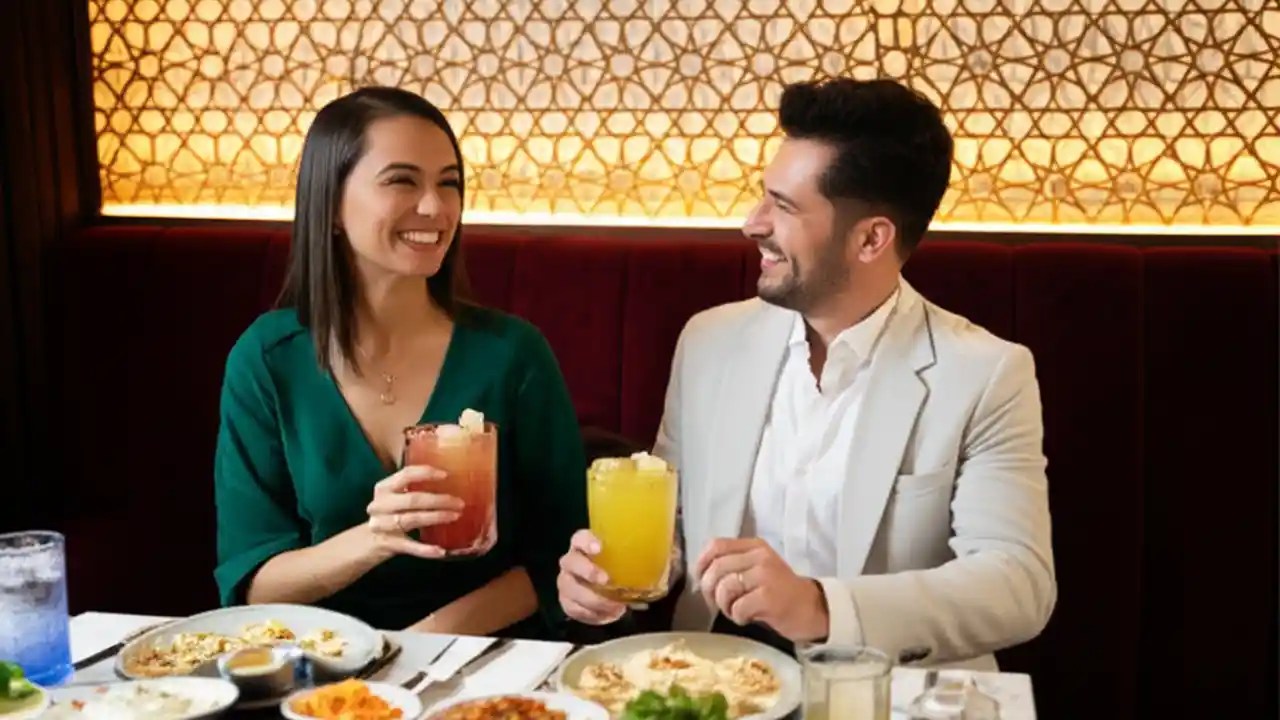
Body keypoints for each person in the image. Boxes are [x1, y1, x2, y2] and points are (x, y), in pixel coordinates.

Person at [557, 77, 1056, 670]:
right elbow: (676, 525)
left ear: (871, 239)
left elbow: (1017, 584)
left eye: (784, 207)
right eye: (763, 196)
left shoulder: (986, 374)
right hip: (716, 679)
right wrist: (616, 578)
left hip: (886, 689)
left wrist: (820, 606)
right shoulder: (709, 341)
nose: (752, 223)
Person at [214, 86, 586, 639]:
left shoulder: (513, 354)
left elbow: (561, 553)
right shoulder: (267, 360)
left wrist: (418, 646)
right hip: (324, 658)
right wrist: (373, 539)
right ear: (331, 205)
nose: (435, 207)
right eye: (402, 181)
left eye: (449, 183)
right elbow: (253, 583)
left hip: (489, 652)